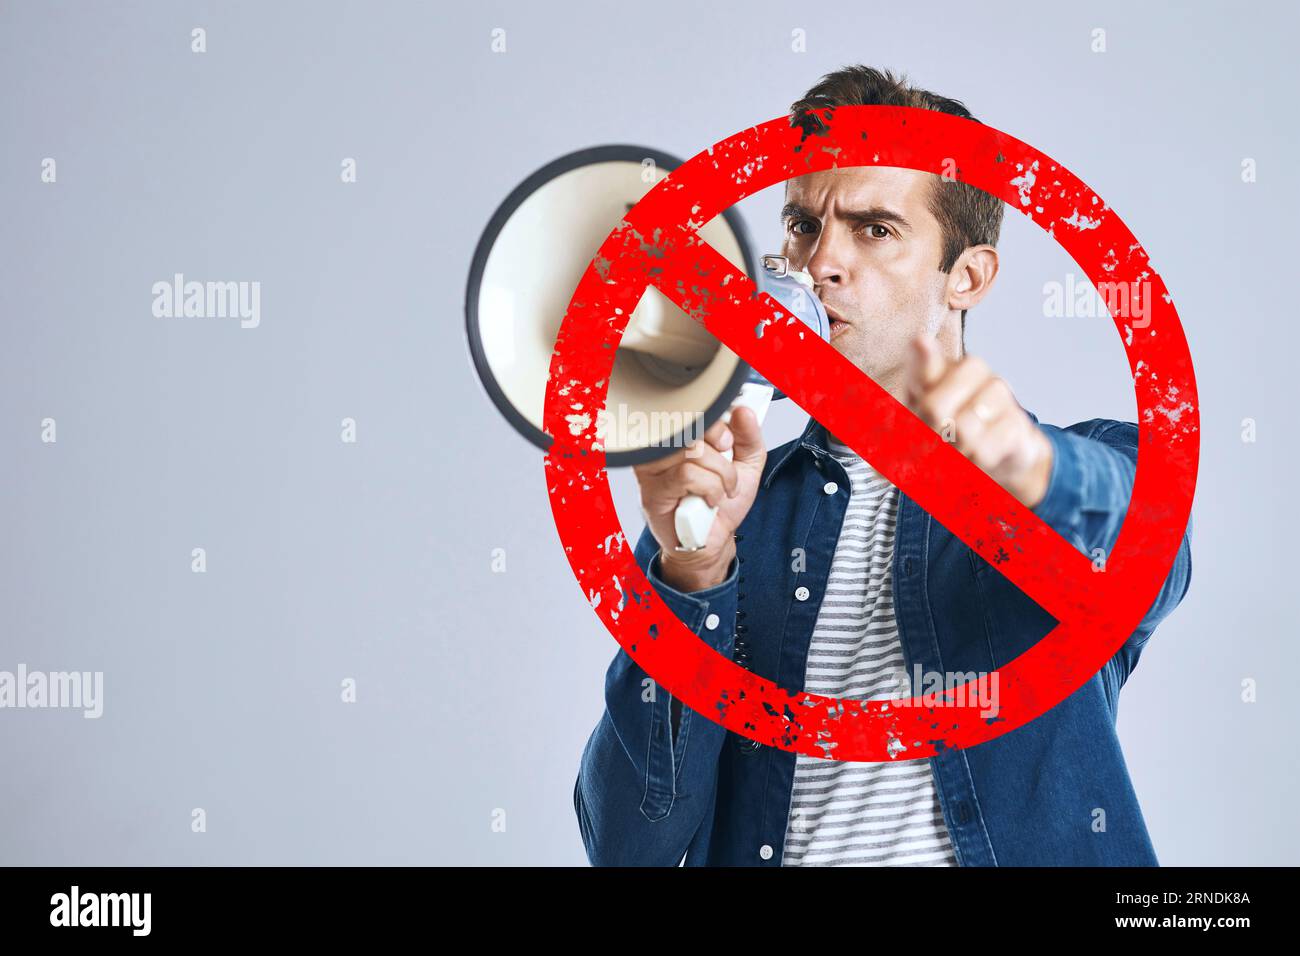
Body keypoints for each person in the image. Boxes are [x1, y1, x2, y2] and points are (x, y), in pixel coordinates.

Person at [573, 65, 1193, 866]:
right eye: (801, 225)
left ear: (966, 276)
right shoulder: (730, 517)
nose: (819, 260)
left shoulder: (1082, 468)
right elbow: (631, 844)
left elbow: (1152, 553)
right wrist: (691, 573)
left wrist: (1029, 469)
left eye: (874, 229)